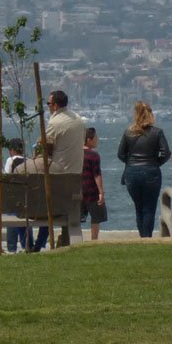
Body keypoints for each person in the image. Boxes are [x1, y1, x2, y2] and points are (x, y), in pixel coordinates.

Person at [26, 89, 85, 251]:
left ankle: (37, 245)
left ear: (55, 105)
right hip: (76, 172)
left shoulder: (55, 122)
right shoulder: (79, 120)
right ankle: (58, 240)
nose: (48, 107)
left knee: (47, 207)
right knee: (67, 209)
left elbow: (42, 145)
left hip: (59, 173)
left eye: (49, 104)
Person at [116, 100, 171, 238]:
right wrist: (154, 163)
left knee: (139, 207)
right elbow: (166, 153)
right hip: (151, 172)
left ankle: (142, 236)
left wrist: (131, 163)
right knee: (149, 208)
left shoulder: (128, 132)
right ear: (150, 115)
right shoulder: (157, 132)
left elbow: (121, 154)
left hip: (132, 172)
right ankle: (147, 238)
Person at [80, 127, 106, 241]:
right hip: (91, 190)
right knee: (96, 218)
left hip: (79, 190)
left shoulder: (75, 154)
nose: (97, 139)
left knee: (78, 218)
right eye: (95, 138)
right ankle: (94, 239)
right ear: (89, 140)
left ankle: (77, 238)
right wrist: (101, 192)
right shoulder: (93, 155)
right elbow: (97, 174)